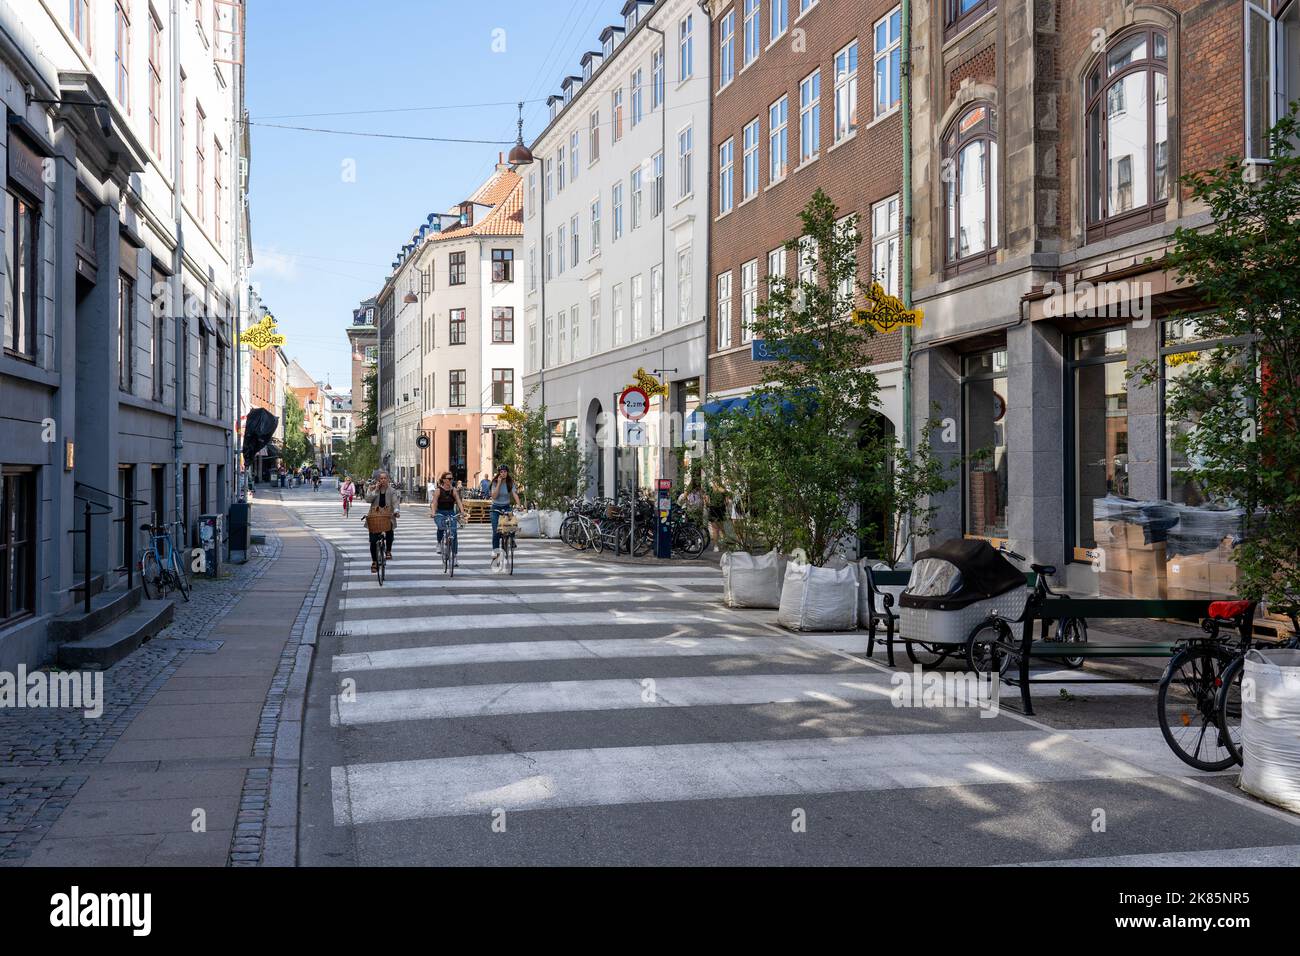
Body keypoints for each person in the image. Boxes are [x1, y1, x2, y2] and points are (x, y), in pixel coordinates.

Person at [363, 471, 400, 572]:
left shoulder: (392, 490)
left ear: (388, 479)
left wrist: (396, 511)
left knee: (390, 531)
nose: (383, 480)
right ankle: (374, 562)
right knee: (373, 540)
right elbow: (368, 499)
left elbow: (395, 502)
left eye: (385, 478)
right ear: (378, 480)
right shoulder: (373, 488)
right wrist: (375, 490)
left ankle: (388, 551)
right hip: (375, 516)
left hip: (387, 515)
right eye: (381, 478)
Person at [489, 464, 521, 557]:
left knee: (512, 525)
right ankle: (495, 551)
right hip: (495, 508)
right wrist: (499, 484)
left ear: (507, 473)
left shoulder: (510, 482)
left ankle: (511, 539)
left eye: (505, 471)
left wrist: (519, 505)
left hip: (506, 507)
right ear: (499, 473)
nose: (503, 473)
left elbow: (514, 494)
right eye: (501, 472)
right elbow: (494, 496)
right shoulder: (495, 482)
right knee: (496, 531)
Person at [429, 472, 465, 556]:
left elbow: (458, 501)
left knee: (454, 533)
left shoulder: (453, 490)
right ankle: (439, 542)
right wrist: (433, 512)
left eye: (452, 479)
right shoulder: (438, 490)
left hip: (451, 512)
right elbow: (434, 503)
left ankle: (455, 556)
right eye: (449, 479)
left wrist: (462, 511)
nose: (451, 480)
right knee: (441, 527)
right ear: (444, 480)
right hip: (440, 512)